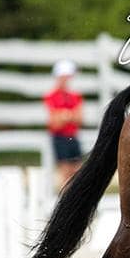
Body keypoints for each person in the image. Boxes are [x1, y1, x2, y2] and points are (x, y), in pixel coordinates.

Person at [44, 59, 84, 187]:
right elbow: (54, 122)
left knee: (78, 172)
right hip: (60, 138)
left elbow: (80, 119)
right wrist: (69, 115)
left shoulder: (75, 96)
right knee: (65, 172)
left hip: (72, 136)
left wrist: (64, 115)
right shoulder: (52, 96)